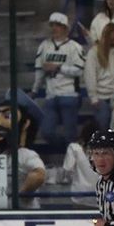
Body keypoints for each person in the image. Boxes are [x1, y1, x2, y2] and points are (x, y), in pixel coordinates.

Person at [32, 12, 86, 150]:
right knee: (47, 132)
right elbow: (39, 69)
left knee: (70, 135)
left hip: (69, 94)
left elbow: (79, 70)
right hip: (51, 95)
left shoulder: (74, 47)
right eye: (53, 25)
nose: (54, 28)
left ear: (65, 28)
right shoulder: (44, 46)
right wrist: (35, 89)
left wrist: (59, 67)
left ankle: (71, 158)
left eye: (58, 25)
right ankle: (64, 149)